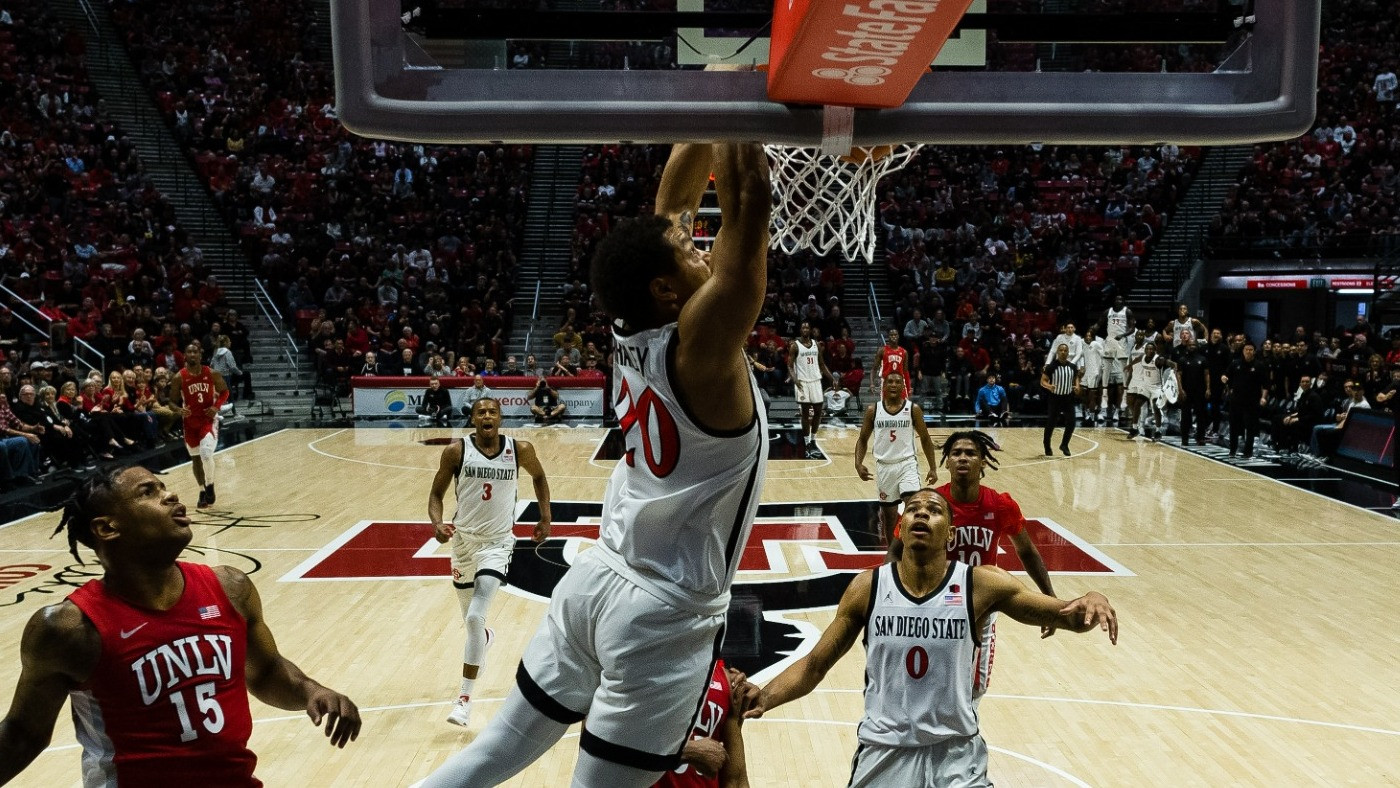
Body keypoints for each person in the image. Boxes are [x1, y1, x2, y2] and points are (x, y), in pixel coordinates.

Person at [422, 140, 771, 788]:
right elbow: (748, 220)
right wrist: (749, 119)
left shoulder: (633, 324)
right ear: (666, 289)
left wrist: (713, 112)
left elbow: (672, 206)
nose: (701, 247)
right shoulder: (702, 348)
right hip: (661, 614)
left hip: (595, 582)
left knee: (487, 756)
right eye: (691, 249)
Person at [0, 465, 361, 785]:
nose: (170, 494)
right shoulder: (69, 628)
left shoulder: (231, 587)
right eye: (148, 491)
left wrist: (312, 691)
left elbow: (265, 672)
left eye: (163, 486)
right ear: (107, 527)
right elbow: (22, 736)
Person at [737, 488, 1117, 787]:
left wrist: (1092, 598)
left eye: (933, 510)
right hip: (885, 749)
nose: (921, 513)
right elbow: (815, 665)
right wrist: (766, 697)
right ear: (900, 528)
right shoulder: (868, 587)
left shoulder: (979, 584)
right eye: (913, 509)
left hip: (956, 754)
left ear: (950, 533)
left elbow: (1068, 616)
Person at [427, 398, 552, 728]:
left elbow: (539, 477)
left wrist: (545, 517)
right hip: (463, 543)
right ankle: (483, 639)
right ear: (472, 418)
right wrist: (437, 524)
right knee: (471, 624)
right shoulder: (456, 452)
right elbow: (436, 495)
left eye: (492, 412)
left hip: (498, 544)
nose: (487, 416)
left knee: (475, 616)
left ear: (500, 417)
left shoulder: (519, 449)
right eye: (480, 412)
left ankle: (464, 700)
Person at [934, 430, 1057, 698]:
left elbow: (1027, 552)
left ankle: (966, 723)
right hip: (939, 603)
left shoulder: (1000, 505)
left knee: (974, 688)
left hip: (983, 603)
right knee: (936, 682)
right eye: (956, 453)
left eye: (970, 453)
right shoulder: (932, 504)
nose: (962, 458)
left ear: (983, 462)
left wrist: (1050, 601)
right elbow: (900, 551)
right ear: (947, 461)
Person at [855, 372, 938, 547]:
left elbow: (925, 438)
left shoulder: (913, 409)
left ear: (903, 387)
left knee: (913, 506)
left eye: (897, 382)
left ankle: (911, 548)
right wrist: (858, 463)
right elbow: (862, 439)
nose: (893, 385)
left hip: (907, 464)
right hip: (884, 467)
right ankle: (892, 553)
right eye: (890, 382)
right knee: (889, 517)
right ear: (884, 386)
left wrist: (933, 468)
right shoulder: (873, 410)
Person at [652, 661, 751, 788]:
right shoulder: (640, 672)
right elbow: (627, 744)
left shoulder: (725, 679)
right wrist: (688, 751)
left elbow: (735, 780)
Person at [170, 343, 229, 508]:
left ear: (200, 355)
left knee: (206, 453)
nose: (192, 354)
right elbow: (171, 402)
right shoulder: (179, 377)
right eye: (189, 351)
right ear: (185, 355)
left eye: (195, 351)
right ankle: (202, 490)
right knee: (196, 459)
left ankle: (210, 485)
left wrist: (216, 407)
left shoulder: (211, 373)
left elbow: (225, 392)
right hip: (189, 422)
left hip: (207, 419)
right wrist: (179, 410)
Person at [789, 321, 832, 459]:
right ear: (800, 330)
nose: (805, 329)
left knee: (818, 411)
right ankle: (807, 442)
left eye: (807, 327)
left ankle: (813, 439)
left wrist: (832, 378)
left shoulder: (816, 344)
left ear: (810, 330)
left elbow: (822, 364)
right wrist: (795, 379)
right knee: (806, 413)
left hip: (815, 381)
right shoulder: (795, 346)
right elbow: (789, 366)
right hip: (802, 382)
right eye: (803, 327)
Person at [1222, 343, 1268, 458]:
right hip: (1236, 400)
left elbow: (1266, 384)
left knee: (1250, 427)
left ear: (1254, 351)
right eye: (1246, 349)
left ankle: (1248, 452)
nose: (1248, 351)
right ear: (1243, 351)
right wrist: (1224, 378)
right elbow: (1225, 375)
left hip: (1252, 401)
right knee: (1234, 426)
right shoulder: (1235, 363)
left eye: (1251, 349)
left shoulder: (1259, 366)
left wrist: (1263, 397)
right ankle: (1232, 450)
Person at [1097, 295, 1134, 424]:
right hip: (1110, 347)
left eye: (1120, 300)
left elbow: (1132, 328)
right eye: (1116, 299)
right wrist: (1094, 328)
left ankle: (1119, 409)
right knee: (1104, 381)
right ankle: (1103, 408)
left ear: (1123, 302)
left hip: (1121, 345)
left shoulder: (1127, 312)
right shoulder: (1108, 312)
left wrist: (1122, 335)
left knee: (1121, 383)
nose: (1118, 301)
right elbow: (1099, 323)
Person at [1309, 379, 1370, 458]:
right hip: (1344, 425)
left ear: (1363, 392)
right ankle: (1316, 454)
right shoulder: (1352, 402)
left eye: (1358, 390)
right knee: (1317, 428)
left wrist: (1337, 427)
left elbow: (1356, 423)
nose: (1356, 392)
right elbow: (1346, 417)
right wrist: (1340, 417)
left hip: (1353, 429)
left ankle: (1316, 455)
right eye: (1354, 390)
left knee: (1320, 430)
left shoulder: (1364, 405)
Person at [1041, 343, 1081, 455]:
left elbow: (1076, 378)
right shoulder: (1051, 367)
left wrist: (1077, 386)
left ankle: (1064, 444)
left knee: (1072, 422)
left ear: (1068, 353)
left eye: (1065, 350)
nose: (1063, 352)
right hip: (1055, 398)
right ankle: (1047, 445)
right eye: (1061, 350)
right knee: (1051, 423)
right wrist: (1049, 386)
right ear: (1058, 352)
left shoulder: (1072, 367)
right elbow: (1043, 381)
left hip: (1068, 398)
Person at [1175, 337, 1211, 446]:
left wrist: (1208, 388)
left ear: (1197, 346)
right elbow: (1178, 375)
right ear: (1187, 346)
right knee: (1185, 416)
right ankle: (1184, 438)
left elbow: (1206, 374)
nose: (1192, 347)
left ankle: (1200, 438)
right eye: (1190, 345)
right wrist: (1180, 390)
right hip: (1186, 391)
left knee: (1201, 415)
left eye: (1194, 345)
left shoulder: (1203, 359)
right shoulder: (1182, 359)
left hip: (1200, 391)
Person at [873, 329, 912, 400]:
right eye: (891, 335)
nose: (893, 336)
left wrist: (908, 388)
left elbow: (906, 371)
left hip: (899, 381)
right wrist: (872, 383)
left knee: (902, 404)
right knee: (886, 404)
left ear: (898, 336)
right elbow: (874, 368)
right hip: (887, 382)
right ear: (888, 337)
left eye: (895, 335)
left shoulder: (904, 352)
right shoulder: (882, 350)